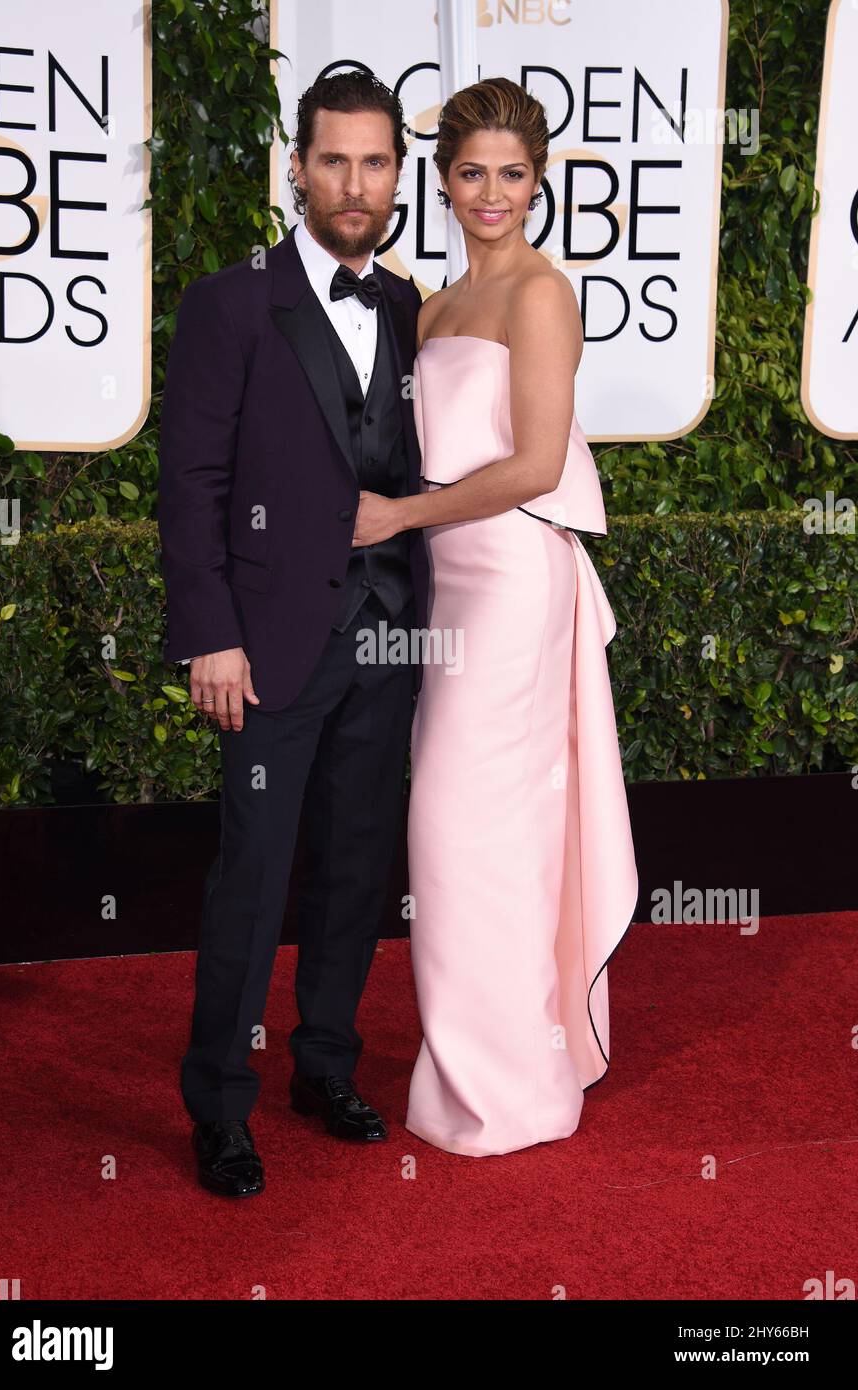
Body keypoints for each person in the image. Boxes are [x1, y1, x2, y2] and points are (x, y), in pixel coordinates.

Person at [352, 77, 639, 1157]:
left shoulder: (540, 295)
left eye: (512, 174)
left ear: (539, 181)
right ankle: (473, 1067)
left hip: (517, 576)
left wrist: (399, 513)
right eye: (471, 172)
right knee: (456, 836)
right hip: (444, 581)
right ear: (442, 180)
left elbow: (529, 463)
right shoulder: (429, 308)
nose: (491, 193)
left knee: (474, 828)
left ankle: (514, 1085)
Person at [158, 71, 428, 1196]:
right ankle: (220, 1102)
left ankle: (323, 1063)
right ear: (298, 168)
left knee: (358, 868)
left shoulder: (410, 306)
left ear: (395, 176)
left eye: (374, 163)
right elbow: (191, 483)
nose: (354, 184)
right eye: (334, 161)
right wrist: (209, 634)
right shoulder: (233, 302)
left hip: (389, 634)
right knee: (254, 875)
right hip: (267, 642)